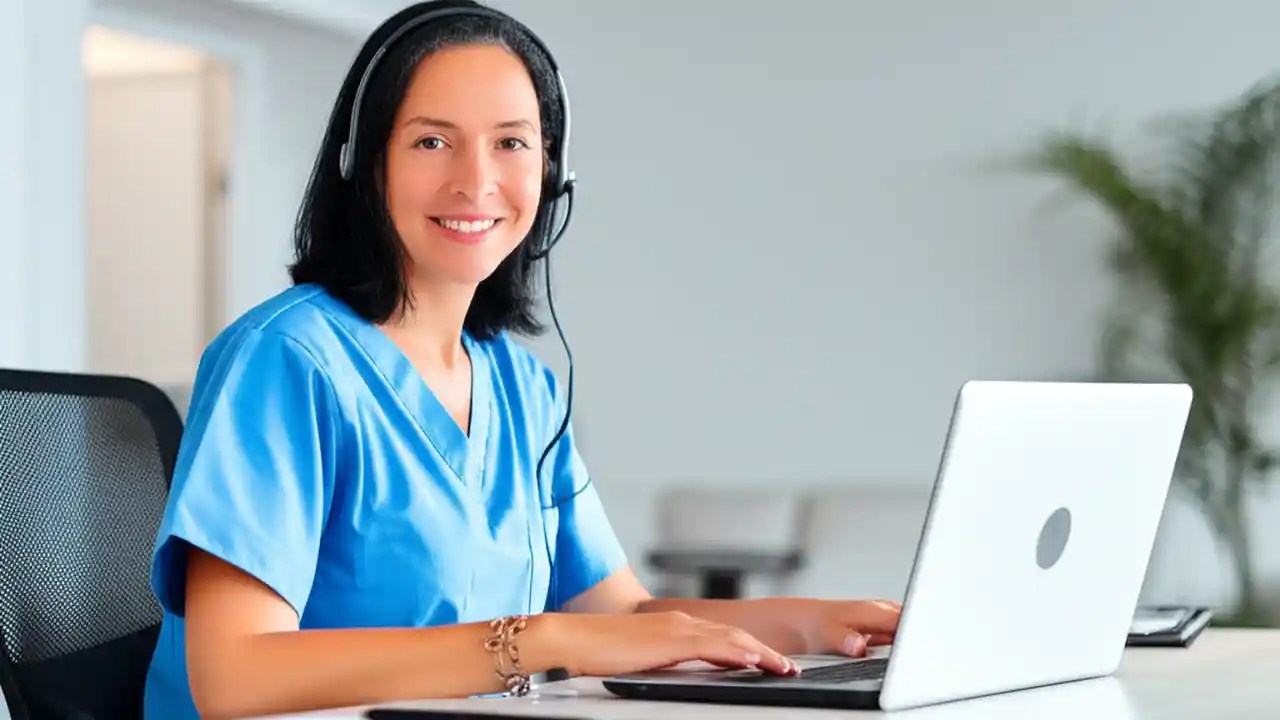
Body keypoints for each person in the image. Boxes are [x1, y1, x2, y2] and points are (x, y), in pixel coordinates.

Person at [142, 2, 902, 718]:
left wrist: (825, 622)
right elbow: (233, 676)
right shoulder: (286, 361)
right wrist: (539, 642)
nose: (476, 182)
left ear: (552, 172)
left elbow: (619, 615)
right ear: (367, 166)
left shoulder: (520, 385)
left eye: (511, 142)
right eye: (432, 141)